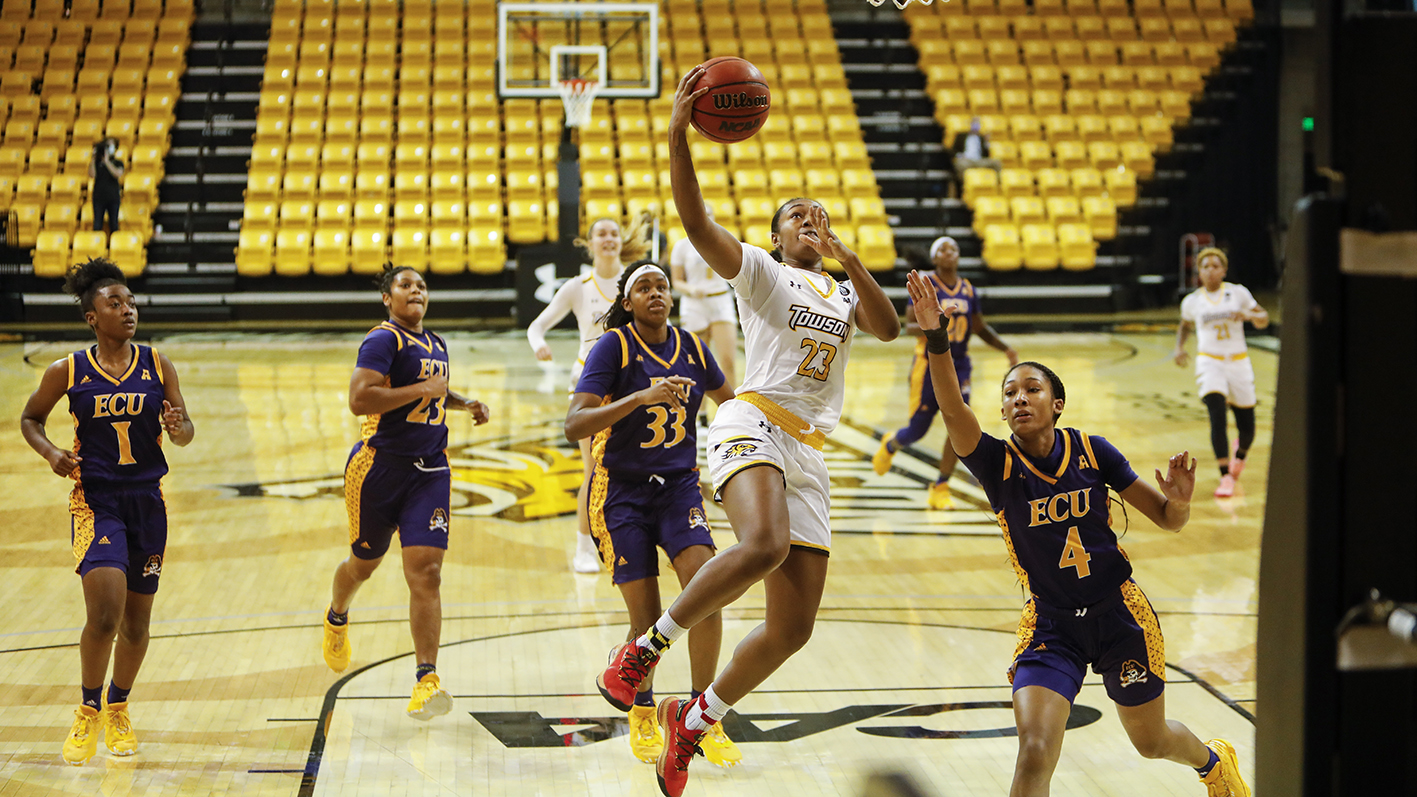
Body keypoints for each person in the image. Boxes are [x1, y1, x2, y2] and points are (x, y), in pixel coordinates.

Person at [593, 67, 901, 797]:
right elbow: (697, 222)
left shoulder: (841, 288)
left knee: (793, 629)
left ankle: (694, 720)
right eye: (798, 216)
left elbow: (890, 328)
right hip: (753, 420)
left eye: (819, 215)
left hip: (808, 450)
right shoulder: (761, 273)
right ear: (775, 236)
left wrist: (851, 258)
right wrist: (678, 134)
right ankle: (644, 651)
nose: (811, 221)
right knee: (763, 545)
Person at [905, 268, 1250, 797]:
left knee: (1152, 741)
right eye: (1010, 393)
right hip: (1051, 624)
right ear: (1002, 411)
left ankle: (1213, 762)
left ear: (1057, 404)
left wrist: (1180, 501)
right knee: (1034, 751)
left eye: (1032, 389)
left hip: (1119, 615)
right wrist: (936, 337)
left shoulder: (1093, 451)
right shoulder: (996, 464)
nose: (1020, 399)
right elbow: (952, 406)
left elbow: (1168, 520)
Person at [564, 262, 741, 767]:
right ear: (628, 302)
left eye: (661, 286)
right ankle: (642, 710)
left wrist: (735, 462)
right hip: (621, 491)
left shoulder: (692, 347)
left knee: (705, 593)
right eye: (643, 287)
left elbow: (729, 406)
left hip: (679, 488)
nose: (656, 293)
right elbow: (574, 424)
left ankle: (701, 716)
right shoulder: (613, 348)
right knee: (646, 619)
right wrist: (639, 397)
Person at [20, 258, 195, 765]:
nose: (128, 310)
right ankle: (88, 709)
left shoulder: (158, 364)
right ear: (92, 317)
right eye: (115, 303)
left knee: (136, 626)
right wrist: (51, 453)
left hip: (148, 502)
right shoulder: (68, 370)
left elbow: (185, 433)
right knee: (104, 615)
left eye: (131, 302)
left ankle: (119, 706)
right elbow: (31, 418)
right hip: (96, 501)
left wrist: (178, 426)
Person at [321, 264, 490, 721]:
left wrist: (463, 403)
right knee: (363, 565)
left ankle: (425, 680)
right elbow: (360, 398)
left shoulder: (436, 342)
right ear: (387, 297)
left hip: (430, 471)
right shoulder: (382, 340)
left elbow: (433, 392)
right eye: (405, 285)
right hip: (378, 469)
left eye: (421, 285)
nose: (416, 290)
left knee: (427, 573)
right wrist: (423, 389)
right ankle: (337, 614)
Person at [527, 213, 655, 573]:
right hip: (589, 384)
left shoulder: (636, 282)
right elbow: (536, 326)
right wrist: (539, 345)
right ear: (590, 243)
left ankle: (638, 538)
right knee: (593, 468)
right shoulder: (578, 287)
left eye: (614, 233)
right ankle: (584, 547)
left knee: (640, 465)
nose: (609, 239)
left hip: (631, 383)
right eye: (602, 234)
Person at [873, 236, 1017, 509]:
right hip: (928, 364)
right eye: (943, 249)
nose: (949, 252)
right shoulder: (925, 283)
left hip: (959, 365)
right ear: (935, 257)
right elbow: (909, 326)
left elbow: (979, 326)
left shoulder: (968, 288)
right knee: (917, 431)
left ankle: (940, 486)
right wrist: (934, 324)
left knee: (959, 426)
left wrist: (1006, 348)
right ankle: (891, 444)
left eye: (953, 248)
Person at [1173, 247, 1269, 499]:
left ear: (1224, 270)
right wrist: (1179, 348)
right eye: (1205, 266)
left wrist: (1248, 315)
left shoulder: (1238, 293)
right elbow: (1185, 325)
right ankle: (1225, 474)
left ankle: (1240, 455)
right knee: (1216, 412)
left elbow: (1264, 319)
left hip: (1238, 362)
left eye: (1215, 266)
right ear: (1199, 272)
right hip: (1209, 361)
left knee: (1247, 429)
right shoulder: (1192, 301)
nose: (1210, 271)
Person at [669, 203, 737, 394]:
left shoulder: (724, 240)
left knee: (728, 361)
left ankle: (733, 405)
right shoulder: (681, 246)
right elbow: (676, 281)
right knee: (696, 362)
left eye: (709, 214)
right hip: (694, 303)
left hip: (720, 300)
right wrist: (691, 289)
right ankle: (700, 409)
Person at [950, 117, 1000, 198]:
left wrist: (987, 143)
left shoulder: (981, 138)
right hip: (966, 160)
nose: (975, 126)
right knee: (960, 164)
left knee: (996, 163)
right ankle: (964, 186)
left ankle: (996, 186)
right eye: (974, 124)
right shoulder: (961, 135)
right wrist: (960, 156)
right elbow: (953, 150)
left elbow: (986, 155)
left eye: (977, 124)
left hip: (979, 161)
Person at [89, 138, 124, 234]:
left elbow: (117, 173)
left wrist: (107, 162)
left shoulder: (118, 162)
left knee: (114, 224)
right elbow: (92, 175)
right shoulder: (97, 163)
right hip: (98, 197)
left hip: (113, 198)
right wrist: (93, 159)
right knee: (97, 224)